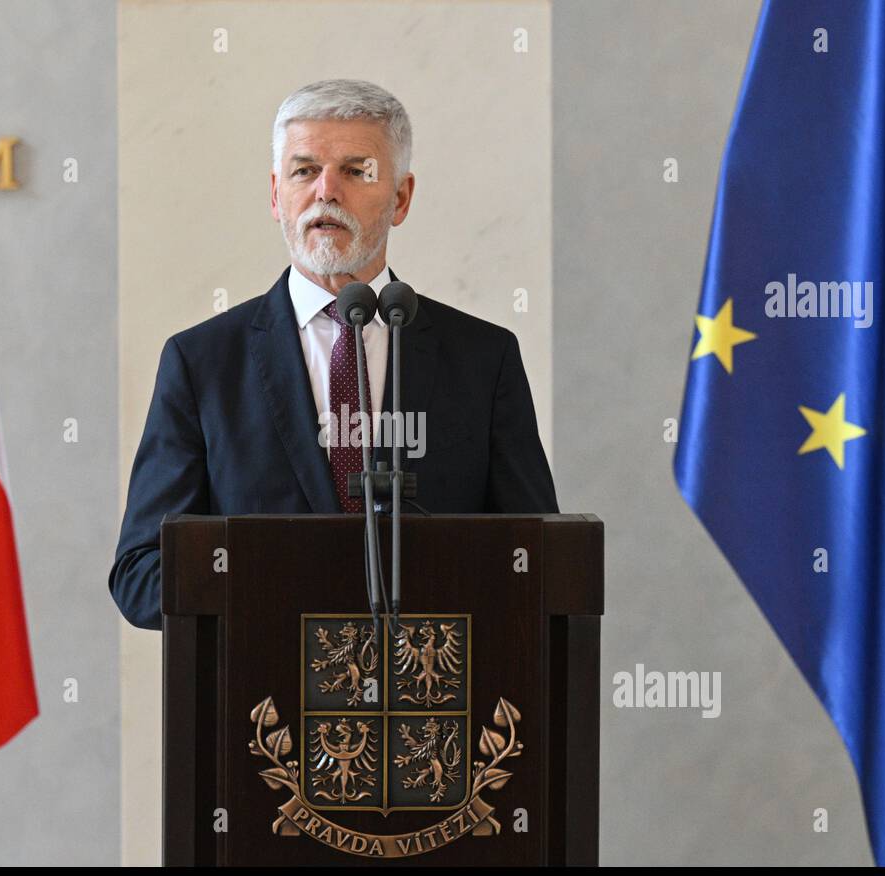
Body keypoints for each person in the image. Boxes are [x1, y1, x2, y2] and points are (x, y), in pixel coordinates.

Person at [111, 79, 557, 630]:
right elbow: (140, 575)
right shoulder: (202, 363)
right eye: (304, 171)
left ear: (401, 198)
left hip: (435, 697)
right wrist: (286, 579)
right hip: (261, 704)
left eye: (355, 170)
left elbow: (537, 560)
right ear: (276, 195)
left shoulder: (483, 358)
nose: (326, 191)